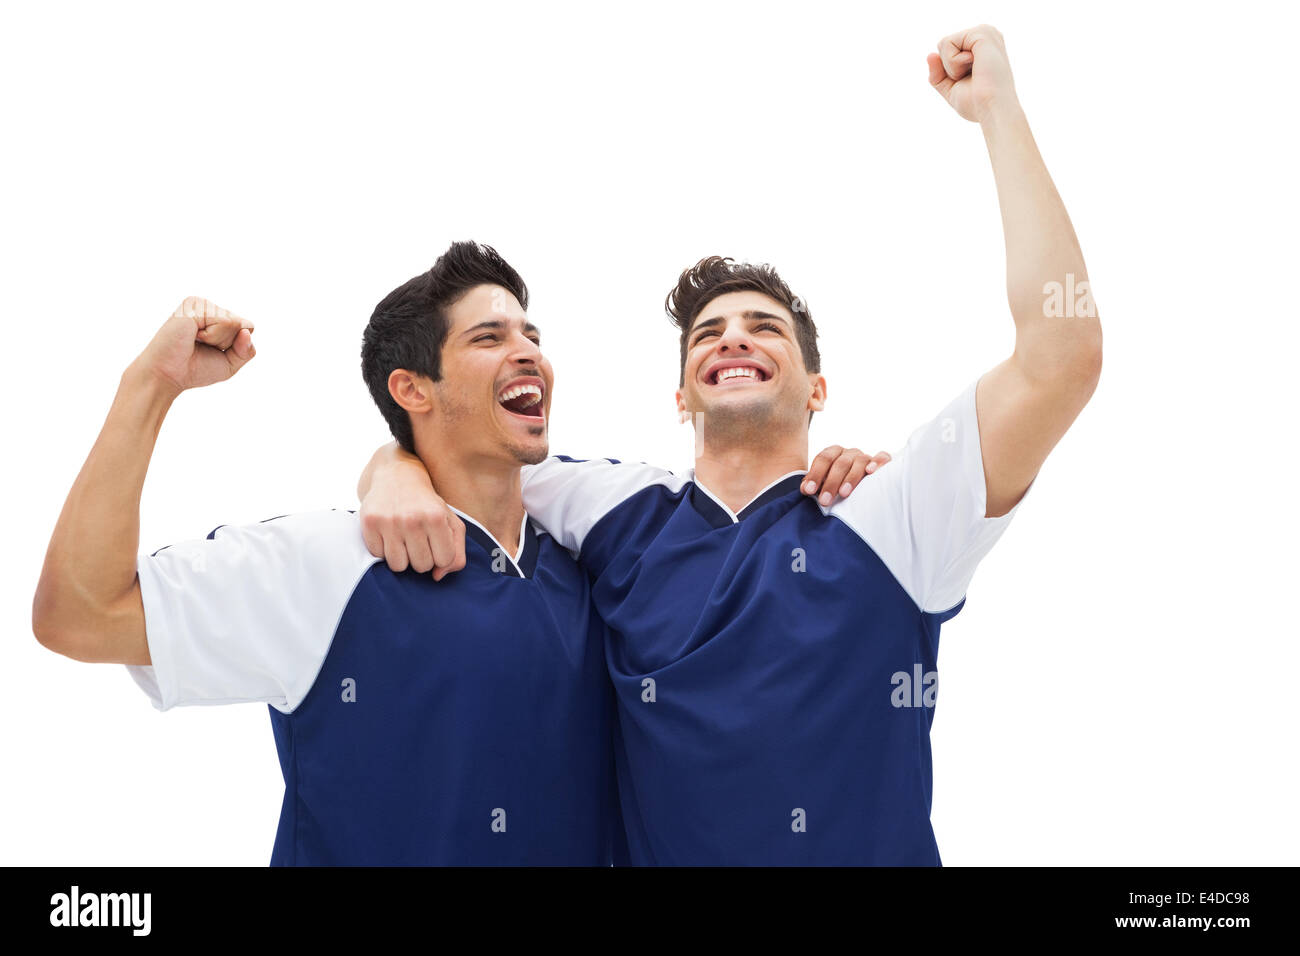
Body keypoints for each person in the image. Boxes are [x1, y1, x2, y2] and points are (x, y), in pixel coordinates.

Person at [357, 25, 1102, 864]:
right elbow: (467, 449)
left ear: (817, 389)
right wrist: (392, 472)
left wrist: (998, 109)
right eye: (708, 334)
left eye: (764, 328)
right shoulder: (613, 510)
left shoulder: (893, 514)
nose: (733, 339)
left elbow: (1061, 357)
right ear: (682, 397)